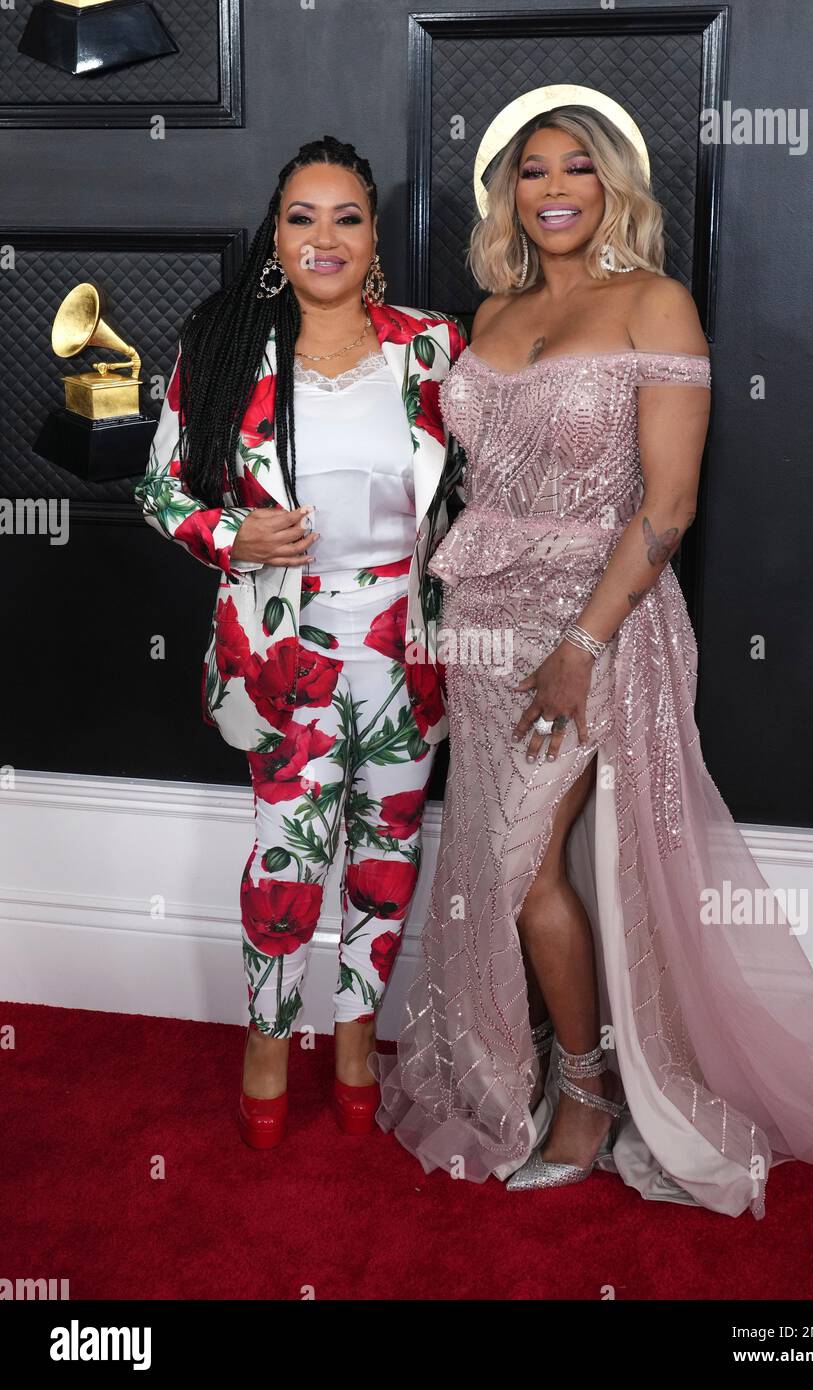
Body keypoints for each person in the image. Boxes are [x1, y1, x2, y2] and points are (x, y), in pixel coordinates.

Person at [371, 104, 813, 1215]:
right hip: (481, 616)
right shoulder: (495, 308)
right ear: (506, 191)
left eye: (580, 166)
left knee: (522, 868)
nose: (555, 186)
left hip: (593, 615)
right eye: (532, 169)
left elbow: (669, 505)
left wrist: (581, 644)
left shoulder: (656, 303)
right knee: (506, 861)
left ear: (616, 183)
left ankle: (591, 1091)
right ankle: (539, 1069)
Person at [135, 135, 466, 1148]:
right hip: (285, 649)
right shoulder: (226, 343)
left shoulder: (432, 346)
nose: (325, 237)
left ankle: (358, 1034)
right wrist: (237, 533)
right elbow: (158, 490)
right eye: (302, 218)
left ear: (374, 241)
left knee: (388, 847)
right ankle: (271, 1038)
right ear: (275, 238)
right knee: (287, 856)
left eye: (347, 218)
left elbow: (482, 488)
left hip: (406, 647)